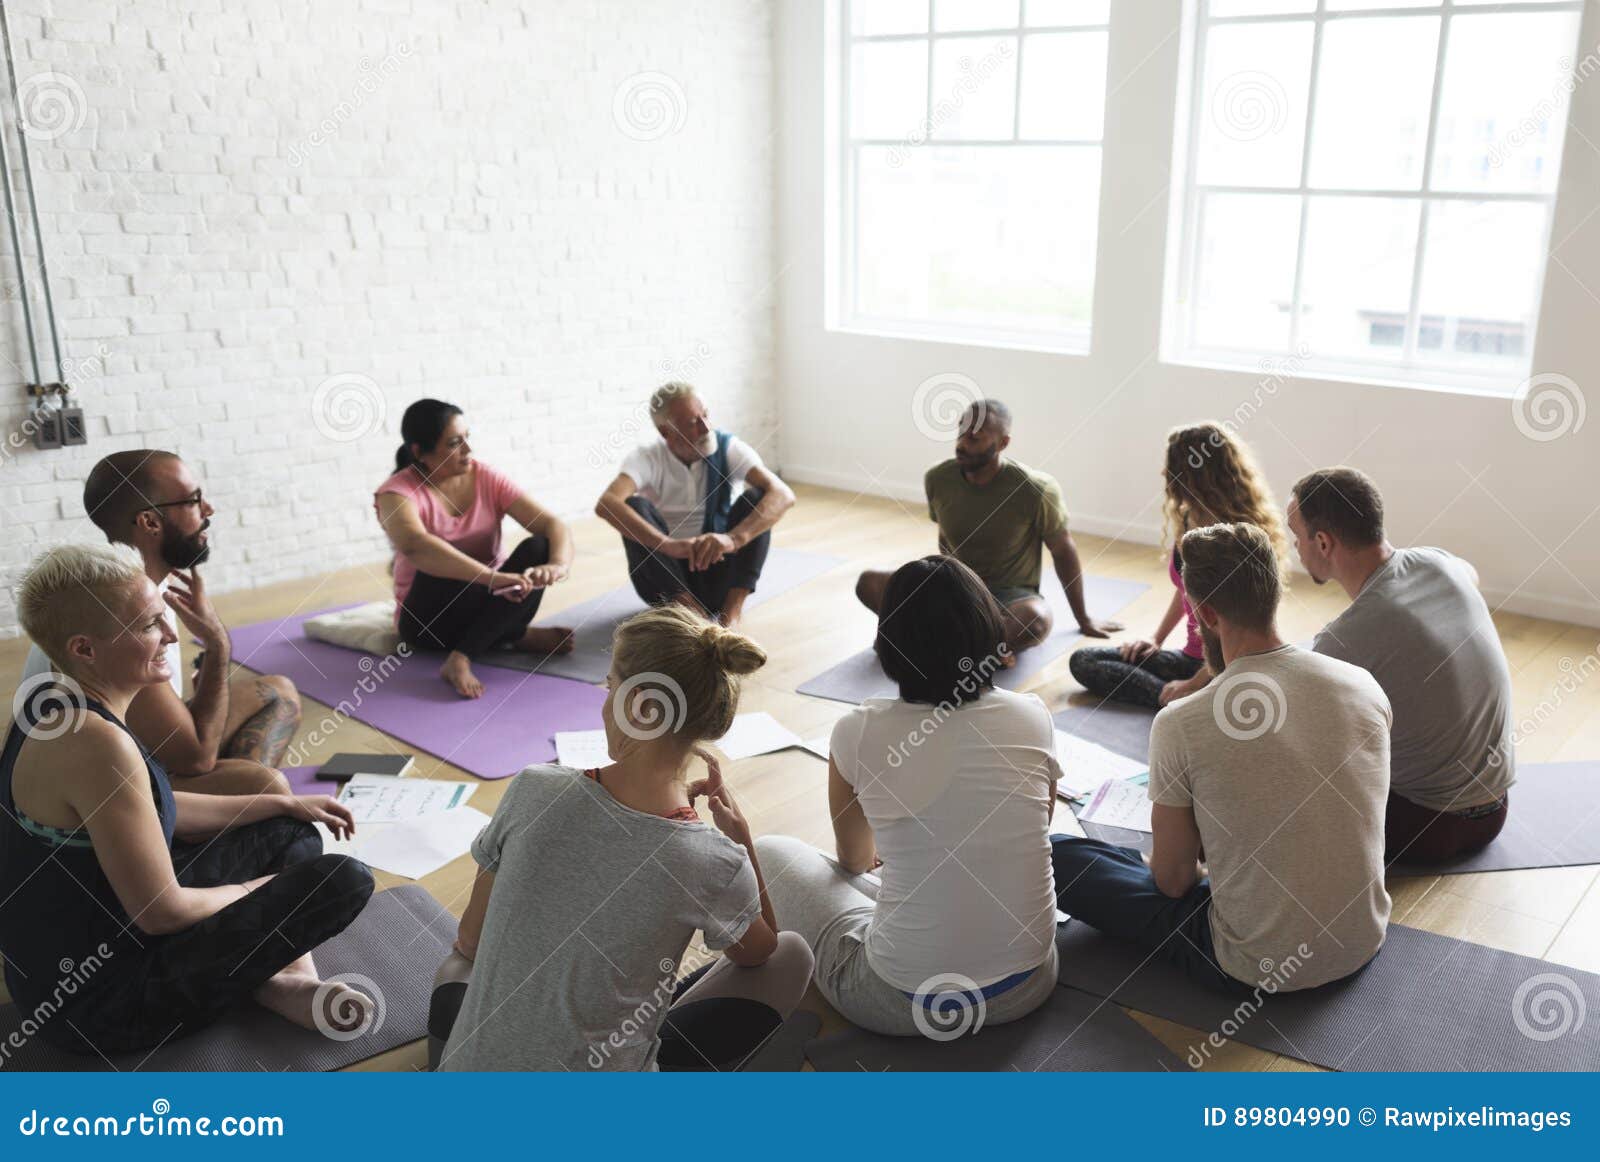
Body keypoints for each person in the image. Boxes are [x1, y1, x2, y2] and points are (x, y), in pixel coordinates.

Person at [2, 544, 376, 1055]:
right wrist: (264, 887)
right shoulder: (96, 744)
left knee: (288, 829)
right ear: (86, 649)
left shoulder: (49, 706)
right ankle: (277, 981)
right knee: (342, 881)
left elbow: (155, 809)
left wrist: (282, 804)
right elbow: (161, 912)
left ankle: (283, 980)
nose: (172, 635)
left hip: (86, 951)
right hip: (101, 1006)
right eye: (150, 624)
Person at [433, 603, 814, 1071]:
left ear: (641, 707)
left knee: (454, 971)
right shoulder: (712, 860)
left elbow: (469, 942)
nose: (604, 699)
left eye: (610, 685)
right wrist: (743, 843)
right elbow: (762, 953)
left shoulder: (534, 787)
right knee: (792, 954)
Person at [1053, 523, 1392, 994]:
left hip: (1254, 966)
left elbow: (1173, 883)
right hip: (1362, 938)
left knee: (1061, 856)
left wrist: (1179, 855)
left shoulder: (1181, 722)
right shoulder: (1362, 685)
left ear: (1205, 614)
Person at [757, 556, 1060, 1036]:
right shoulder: (1032, 715)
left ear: (889, 640)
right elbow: (1039, 824)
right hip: (1030, 983)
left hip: (901, 1003)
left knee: (773, 853)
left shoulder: (858, 729)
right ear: (989, 633)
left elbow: (855, 861)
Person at [19, 450, 302, 796]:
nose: (208, 510)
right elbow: (196, 759)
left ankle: (241, 814)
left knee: (279, 693)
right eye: (194, 500)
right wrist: (217, 646)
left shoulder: (134, 588)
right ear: (150, 523)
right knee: (263, 786)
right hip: (99, 790)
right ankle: (236, 817)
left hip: (130, 750)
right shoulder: (120, 616)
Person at [1288, 467, 1514, 863]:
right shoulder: (1441, 562)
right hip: (1496, 812)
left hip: (1425, 827)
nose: (1295, 547)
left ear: (1323, 543)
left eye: (1297, 537)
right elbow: (1470, 575)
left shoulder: (1342, 640)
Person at [856, 399, 1121, 654]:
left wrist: (1083, 618)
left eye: (974, 438)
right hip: (957, 588)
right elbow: (945, 540)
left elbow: (1063, 551)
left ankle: (942, 644)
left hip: (1007, 598)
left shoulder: (1035, 489)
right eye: (960, 433)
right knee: (869, 583)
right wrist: (940, 589)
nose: (961, 444)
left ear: (1002, 443)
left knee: (1035, 620)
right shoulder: (938, 478)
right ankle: (961, 644)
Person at [1069, 422, 1289, 708]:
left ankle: (1185, 698)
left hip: (1226, 664)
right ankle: (1184, 700)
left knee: (1117, 671)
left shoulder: (1238, 538)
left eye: (1171, 466)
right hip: (1192, 658)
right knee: (1084, 660)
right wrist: (1155, 639)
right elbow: (1187, 589)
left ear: (1196, 474)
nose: (1164, 473)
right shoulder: (1190, 517)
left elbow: (1240, 632)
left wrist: (1193, 683)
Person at [375, 399, 576, 700]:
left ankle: (464, 655)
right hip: (429, 620)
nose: (468, 450)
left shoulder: (486, 477)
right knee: (436, 562)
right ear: (419, 452)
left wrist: (557, 565)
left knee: (540, 547)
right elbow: (417, 547)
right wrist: (491, 578)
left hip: (491, 599)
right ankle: (511, 635)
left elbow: (551, 524)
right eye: (455, 443)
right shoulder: (395, 494)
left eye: (468, 439)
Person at [594, 382, 796, 627]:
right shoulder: (647, 457)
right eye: (692, 423)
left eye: (706, 415)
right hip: (664, 582)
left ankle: (730, 617)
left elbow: (783, 495)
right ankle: (693, 617)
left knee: (758, 500)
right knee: (633, 506)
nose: (706, 427)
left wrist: (733, 539)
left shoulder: (729, 447)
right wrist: (670, 546)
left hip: (719, 569)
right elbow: (606, 503)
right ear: (665, 432)